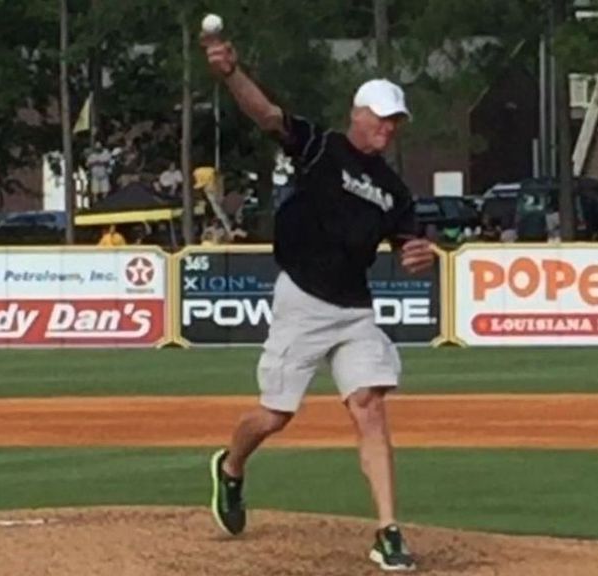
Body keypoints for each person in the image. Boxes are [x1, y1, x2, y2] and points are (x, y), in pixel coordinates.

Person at [203, 36, 434, 572]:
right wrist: (232, 73)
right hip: (302, 299)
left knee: (369, 408)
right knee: (275, 414)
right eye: (381, 116)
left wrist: (423, 255)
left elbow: (410, 246)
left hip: (354, 310)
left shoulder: (395, 191)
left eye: (396, 119)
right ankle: (231, 467)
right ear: (358, 113)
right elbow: (266, 115)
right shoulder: (320, 146)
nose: (389, 126)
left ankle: (388, 531)